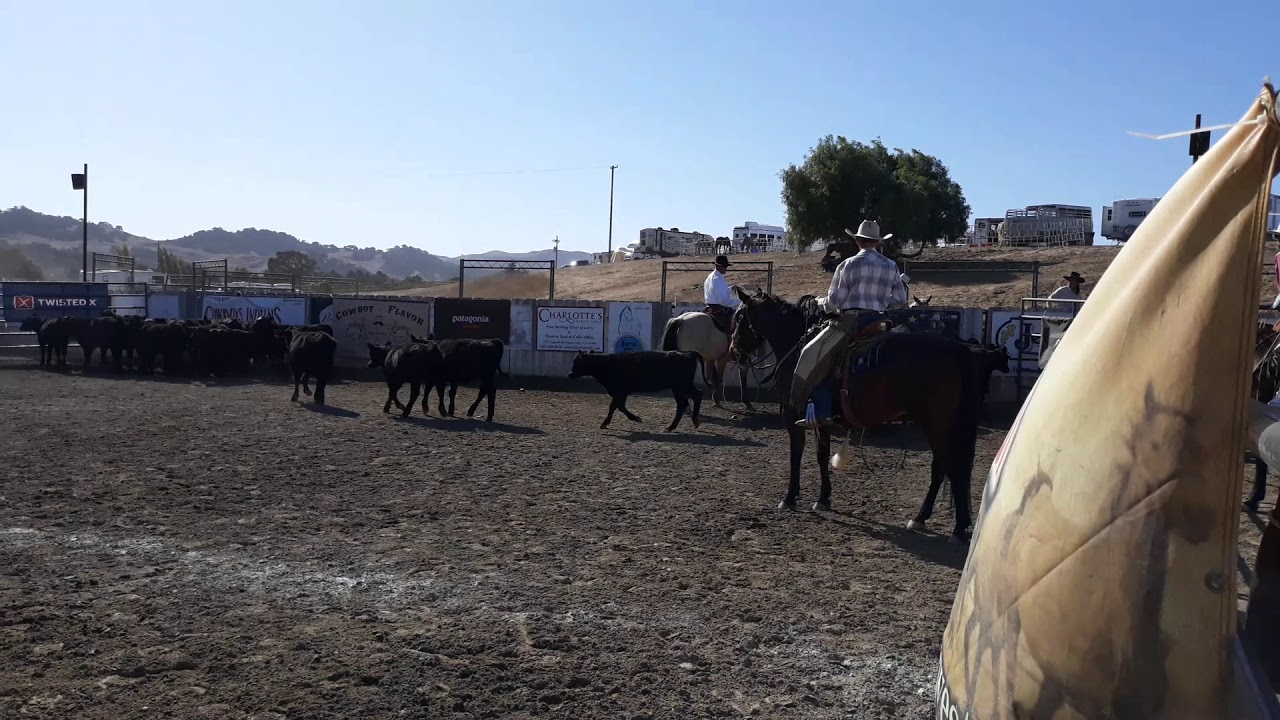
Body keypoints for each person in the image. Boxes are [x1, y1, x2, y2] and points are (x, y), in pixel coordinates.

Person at [792, 219, 909, 428]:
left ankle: (822, 412)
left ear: (857, 241)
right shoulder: (891, 265)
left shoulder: (847, 265)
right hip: (880, 321)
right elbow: (900, 300)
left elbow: (834, 301)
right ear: (877, 242)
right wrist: (881, 302)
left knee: (814, 355)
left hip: (852, 321)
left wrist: (821, 304)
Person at [703, 255, 739, 334]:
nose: (725, 268)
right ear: (717, 266)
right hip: (720, 310)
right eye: (724, 266)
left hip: (711, 307)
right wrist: (738, 302)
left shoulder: (711, 276)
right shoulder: (717, 279)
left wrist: (730, 289)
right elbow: (723, 300)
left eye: (726, 266)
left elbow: (717, 292)